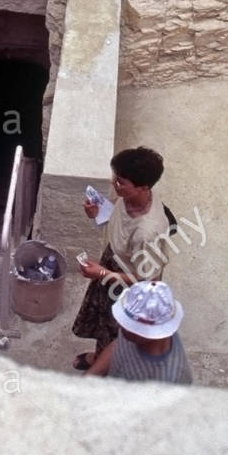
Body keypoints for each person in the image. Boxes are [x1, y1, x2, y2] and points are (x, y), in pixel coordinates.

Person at [72, 146, 175, 371]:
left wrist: (101, 273)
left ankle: (103, 366)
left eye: (120, 182)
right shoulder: (132, 197)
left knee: (116, 330)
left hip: (128, 284)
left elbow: (146, 280)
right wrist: (97, 213)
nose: (113, 184)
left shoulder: (147, 232)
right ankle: (101, 357)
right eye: (115, 177)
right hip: (116, 261)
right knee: (104, 322)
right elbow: (119, 219)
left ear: (143, 187)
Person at [85, 280, 192, 384]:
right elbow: (118, 345)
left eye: (128, 325)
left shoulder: (171, 379)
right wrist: (91, 374)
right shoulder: (134, 334)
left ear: (149, 334)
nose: (118, 325)